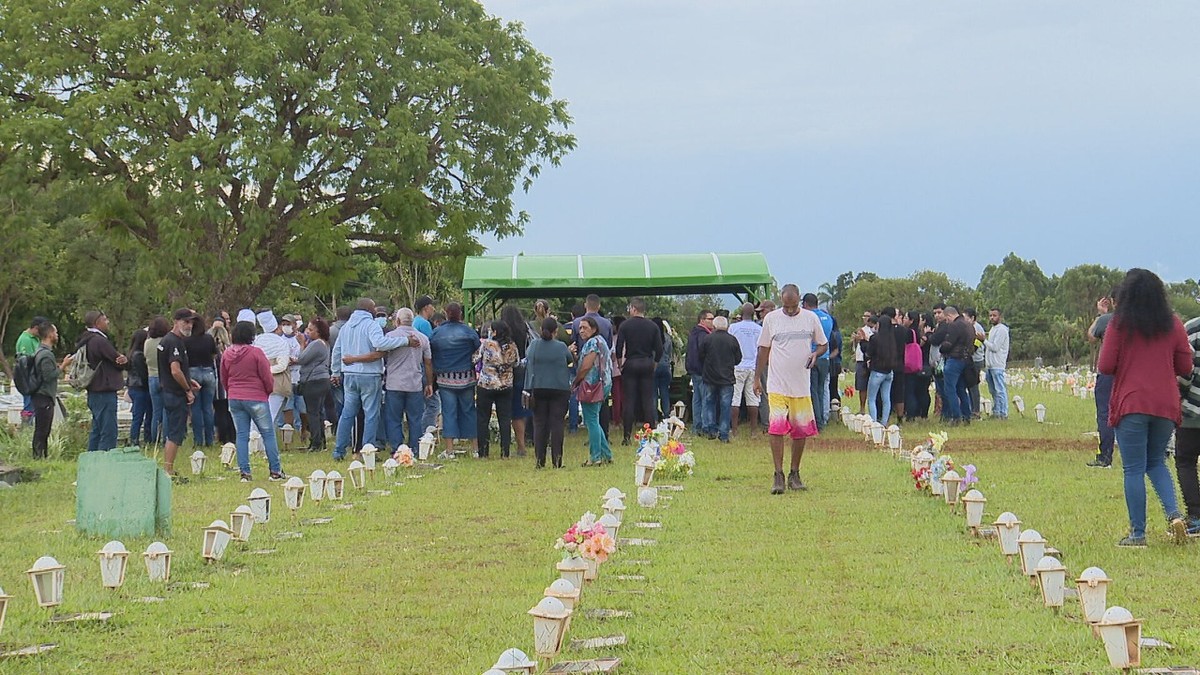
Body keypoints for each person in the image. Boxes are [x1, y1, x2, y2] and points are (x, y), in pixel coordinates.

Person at [1097, 268, 1191, 547]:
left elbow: (1105, 366)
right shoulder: (1173, 323)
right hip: (1166, 403)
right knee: (1157, 462)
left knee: (1134, 468)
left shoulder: (1119, 324)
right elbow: (1185, 366)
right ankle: (1174, 515)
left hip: (1132, 402)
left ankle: (1138, 534)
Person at [755, 285, 827, 494]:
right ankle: (778, 474)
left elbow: (823, 344)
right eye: (786, 307)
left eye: (793, 306)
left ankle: (794, 473)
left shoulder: (810, 318)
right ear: (781, 301)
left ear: (799, 300)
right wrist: (757, 377)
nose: (790, 310)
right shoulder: (772, 319)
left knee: (800, 430)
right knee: (776, 428)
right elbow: (763, 349)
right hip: (777, 384)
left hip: (801, 385)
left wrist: (816, 354)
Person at [330, 298, 412, 461]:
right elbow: (380, 343)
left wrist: (335, 372)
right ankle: (367, 451)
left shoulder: (346, 327)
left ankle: (339, 451)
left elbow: (337, 350)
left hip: (349, 374)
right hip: (369, 374)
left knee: (347, 413)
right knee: (371, 414)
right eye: (374, 308)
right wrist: (405, 341)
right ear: (369, 309)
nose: (376, 310)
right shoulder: (371, 325)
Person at [348, 309, 430, 451]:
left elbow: (379, 354)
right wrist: (429, 383)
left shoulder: (390, 337)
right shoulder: (422, 338)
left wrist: (354, 359)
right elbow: (428, 362)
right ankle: (415, 449)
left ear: (397, 321)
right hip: (414, 384)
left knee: (393, 419)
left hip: (394, 384)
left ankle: (397, 448)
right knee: (415, 419)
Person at [221, 320, 286, 482]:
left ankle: (245, 473)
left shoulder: (227, 354)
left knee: (242, 435)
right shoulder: (256, 353)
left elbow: (224, 377)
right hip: (256, 397)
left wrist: (231, 392)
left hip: (235, 397)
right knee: (267, 434)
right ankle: (275, 471)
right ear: (251, 335)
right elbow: (266, 376)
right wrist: (268, 391)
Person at [430, 302, 481, 456]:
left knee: (448, 412)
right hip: (466, 377)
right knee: (469, 411)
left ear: (446, 314)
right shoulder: (469, 331)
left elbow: (431, 352)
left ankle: (450, 450)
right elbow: (477, 348)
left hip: (445, 378)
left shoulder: (437, 333)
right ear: (461, 314)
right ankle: (475, 448)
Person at [77, 310, 129, 452]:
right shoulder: (99, 341)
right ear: (97, 323)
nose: (108, 322)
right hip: (104, 390)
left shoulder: (86, 339)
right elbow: (117, 360)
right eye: (105, 320)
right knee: (108, 430)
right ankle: (105, 458)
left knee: (97, 429)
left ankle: (92, 457)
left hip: (93, 390)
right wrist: (124, 360)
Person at [614, 297, 662, 445]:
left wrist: (621, 364)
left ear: (634, 309)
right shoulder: (652, 326)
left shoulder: (625, 325)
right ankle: (651, 434)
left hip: (631, 362)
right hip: (647, 362)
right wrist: (654, 364)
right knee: (648, 400)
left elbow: (619, 347)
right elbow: (659, 349)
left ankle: (627, 436)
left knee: (629, 400)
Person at [158, 309, 201, 477]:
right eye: (185, 322)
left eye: (191, 322)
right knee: (175, 433)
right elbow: (175, 370)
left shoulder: (166, 340)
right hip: (174, 393)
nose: (189, 326)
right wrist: (187, 390)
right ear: (175, 321)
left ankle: (168, 468)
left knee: (173, 430)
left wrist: (188, 380)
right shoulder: (174, 342)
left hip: (168, 390)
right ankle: (168, 470)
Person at [526, 317, 572, 468]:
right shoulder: (561, 346)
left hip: (538, 388)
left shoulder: (534, 345)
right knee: (557, 424)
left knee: (539, 424)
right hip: (559, 388)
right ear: (556, 331)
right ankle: (557, 460)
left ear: (541, 330)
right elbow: (569, 360)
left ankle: (540, 461)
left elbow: (528, 358)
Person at [475, 320, 519, 458]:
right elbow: (516, 363)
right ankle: (505, 452)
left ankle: (483, 452)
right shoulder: (512, 346)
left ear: (494, 332)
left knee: (483, 419)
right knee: (505, 419)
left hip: (486, 385)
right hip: (505, 385)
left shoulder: (487, 344)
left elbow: (475, 358)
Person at [573, 316, 613, 466]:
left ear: (594, 328)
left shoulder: (592, 343)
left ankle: (595, 456)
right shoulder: (601, 341)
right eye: (580, 328)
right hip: (603, 384)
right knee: (594, 420)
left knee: (591, 421)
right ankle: (607, 454)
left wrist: (576, 382)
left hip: (591, 386)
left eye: (585, 327)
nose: (581, 331)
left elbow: (586, 366)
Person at [1087, 290, 1119, 468]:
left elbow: (1092, 336)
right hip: (1133, 373)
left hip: (1108, 372)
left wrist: (1101, 315)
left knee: (1105, 413)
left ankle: (1105, 456)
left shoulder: (1107, 320)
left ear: (1113, 301)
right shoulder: (1141, 321)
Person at [30, 323, 71, 459]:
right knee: (43, 429)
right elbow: (48, 376)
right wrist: (63, 366)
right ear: (49, 334)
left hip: (40, 395)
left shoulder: (40, 351)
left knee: (43, 429)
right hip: (44, 395)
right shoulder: (46, 355)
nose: (57, 335)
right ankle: (38, 456)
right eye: (56, 332)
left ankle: (41, 456)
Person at [699, 315, 742, 442]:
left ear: (714, 326)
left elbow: (701, 356)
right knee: (725, 406)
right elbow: (738, 359)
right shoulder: (732, 340)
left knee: (710, 403)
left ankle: (711, 430)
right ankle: (724, 434)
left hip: (710, 377)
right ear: (727, 326)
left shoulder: (707, 339)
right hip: (727, 378)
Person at [1176, 315, 1200, 535]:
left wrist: (1181, 395)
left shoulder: (1192, 329)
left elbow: (1185, 371)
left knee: (1185, 462)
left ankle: (1195, 516)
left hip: (1192, 411)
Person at [935, 306, 976, 425]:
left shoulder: (954, 326)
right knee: (961, 389)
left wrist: (942, 348)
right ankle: (966, 416)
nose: (947, 322)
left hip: (954, 359)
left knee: (950, 389)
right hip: (966, 360)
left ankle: (956, 417)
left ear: (949, 315)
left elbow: (948, 344)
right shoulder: (969, 325)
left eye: (946, 319)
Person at [501, 305, 533, 457]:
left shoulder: (503, 333)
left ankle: (516, 446)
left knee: (509, 412)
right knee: (520, 410)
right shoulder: (525, 330)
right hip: (523, 372)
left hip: (505, 373)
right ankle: (522, 444)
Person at [297, 317, 333, 452]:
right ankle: (321, 441)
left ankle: (316, 443)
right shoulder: (325, 344)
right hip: (323, 381)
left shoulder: (316, 344)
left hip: (313, 381)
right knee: (319, 412)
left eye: (311, 330)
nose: (308, 332)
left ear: (318, 332)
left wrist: (302, 344)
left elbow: (302, 359)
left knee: (312, 413)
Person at [253, 310, 293, 426]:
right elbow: (282, 366)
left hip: (259, 384)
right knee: (269, 420)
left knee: (259, 419)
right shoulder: (281, 343)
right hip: (277, 385)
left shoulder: (256, 341)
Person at [728, 303, 762, 436]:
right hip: (753, 367)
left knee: (735, 398)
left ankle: (734, 430)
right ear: (753, 313)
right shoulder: (758, 329)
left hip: (737, 366)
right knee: (753, 398)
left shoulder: (734, 328)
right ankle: (753, 430)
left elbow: (730, 345)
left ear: (741, 313)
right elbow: (761, 348)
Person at [185, 315, 219, 447]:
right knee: (208, 407)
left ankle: (198, 440)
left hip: (193, 372)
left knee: (196, 408)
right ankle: (210, 439)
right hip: (208, 371)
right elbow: (214, 354)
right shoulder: (208, 338)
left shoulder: (186, 340)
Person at [802, 293, 834, 430]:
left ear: (805, 304)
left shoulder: (809, 317)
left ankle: (817, 421)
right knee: (822, 390)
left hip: (813, 356)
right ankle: (823, 418)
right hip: (825, 357)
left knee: (813, 391)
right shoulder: (828, 317)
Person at [864, 312, 900, 424]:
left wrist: (863, 342)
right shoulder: (892, 339)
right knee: (886, 399)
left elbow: (868, 353)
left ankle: (874, 422)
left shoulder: (875, 338)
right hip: (889, 372)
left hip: (877, 371)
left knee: (871, 398)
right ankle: (884, 422)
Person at [686, 309, 715, 435]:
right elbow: (703, 351)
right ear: (702, 320)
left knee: (696, 399)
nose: (712, 321)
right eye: (710, 319)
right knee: (705, 399)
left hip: (693, 369)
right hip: (702, 370)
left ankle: (696, 426)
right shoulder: (703, 335)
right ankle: (705, 426)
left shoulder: (693, 332)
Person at [15, 317, 48, 425]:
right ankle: (26, 426)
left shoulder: (35, 338)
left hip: (34, 377)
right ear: (36, 328)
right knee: (29, 404)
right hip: (28, 378)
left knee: (34, 404)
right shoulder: (26, 339)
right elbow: (27, 362)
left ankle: (30, 425)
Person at [208, 318, 235, 445]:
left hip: (217, 385)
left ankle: (222, 437)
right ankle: (232, 436)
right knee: (229, 412)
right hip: (230, 385)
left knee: (219, 412)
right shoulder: (230, 349)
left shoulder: (211, 351)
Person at [144, 316, 170, 445]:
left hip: (152, 377)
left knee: (156, 411)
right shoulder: (166, 341)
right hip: (165, 377)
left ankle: (154, 439)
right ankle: (166, 439)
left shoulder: (147, 342)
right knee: (167, 410)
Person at [126, 329, 153, 446]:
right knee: (143, 415)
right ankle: (140, 439)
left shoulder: (130, 354)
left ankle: (135, 439)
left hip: (133, 386)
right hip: (141, 387)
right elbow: (143, 374)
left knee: (137, 415)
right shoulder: (139, 356)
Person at [983, 308, 1010, 420]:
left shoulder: (1002, 330)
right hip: (990, 365)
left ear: (1000, 317)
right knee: (993, 390)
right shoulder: (993, 329)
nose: (992, 318)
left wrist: (983, 340)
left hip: (997, 365)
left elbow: (995, 347)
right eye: (990, 315)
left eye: (994, 315)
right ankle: (996, 411)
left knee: (999, 390)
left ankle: (1003, 412)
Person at [851, 311, 875, 414]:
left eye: (867, 316)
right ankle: (862, 408)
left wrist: (863, 338)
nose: (865, 318)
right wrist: (855, 340)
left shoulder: (875, 330)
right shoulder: (861, 330)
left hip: (871, 360)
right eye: (864, 316)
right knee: (862, 385)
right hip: (861, 359)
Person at [652, 318, 674, 421]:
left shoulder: (651, 337)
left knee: (653, 394)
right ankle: (666, 415)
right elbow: (670, 353)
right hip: (665, 366)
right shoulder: (667, 338)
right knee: (664, 392)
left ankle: (655, 418)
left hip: (654, 366)